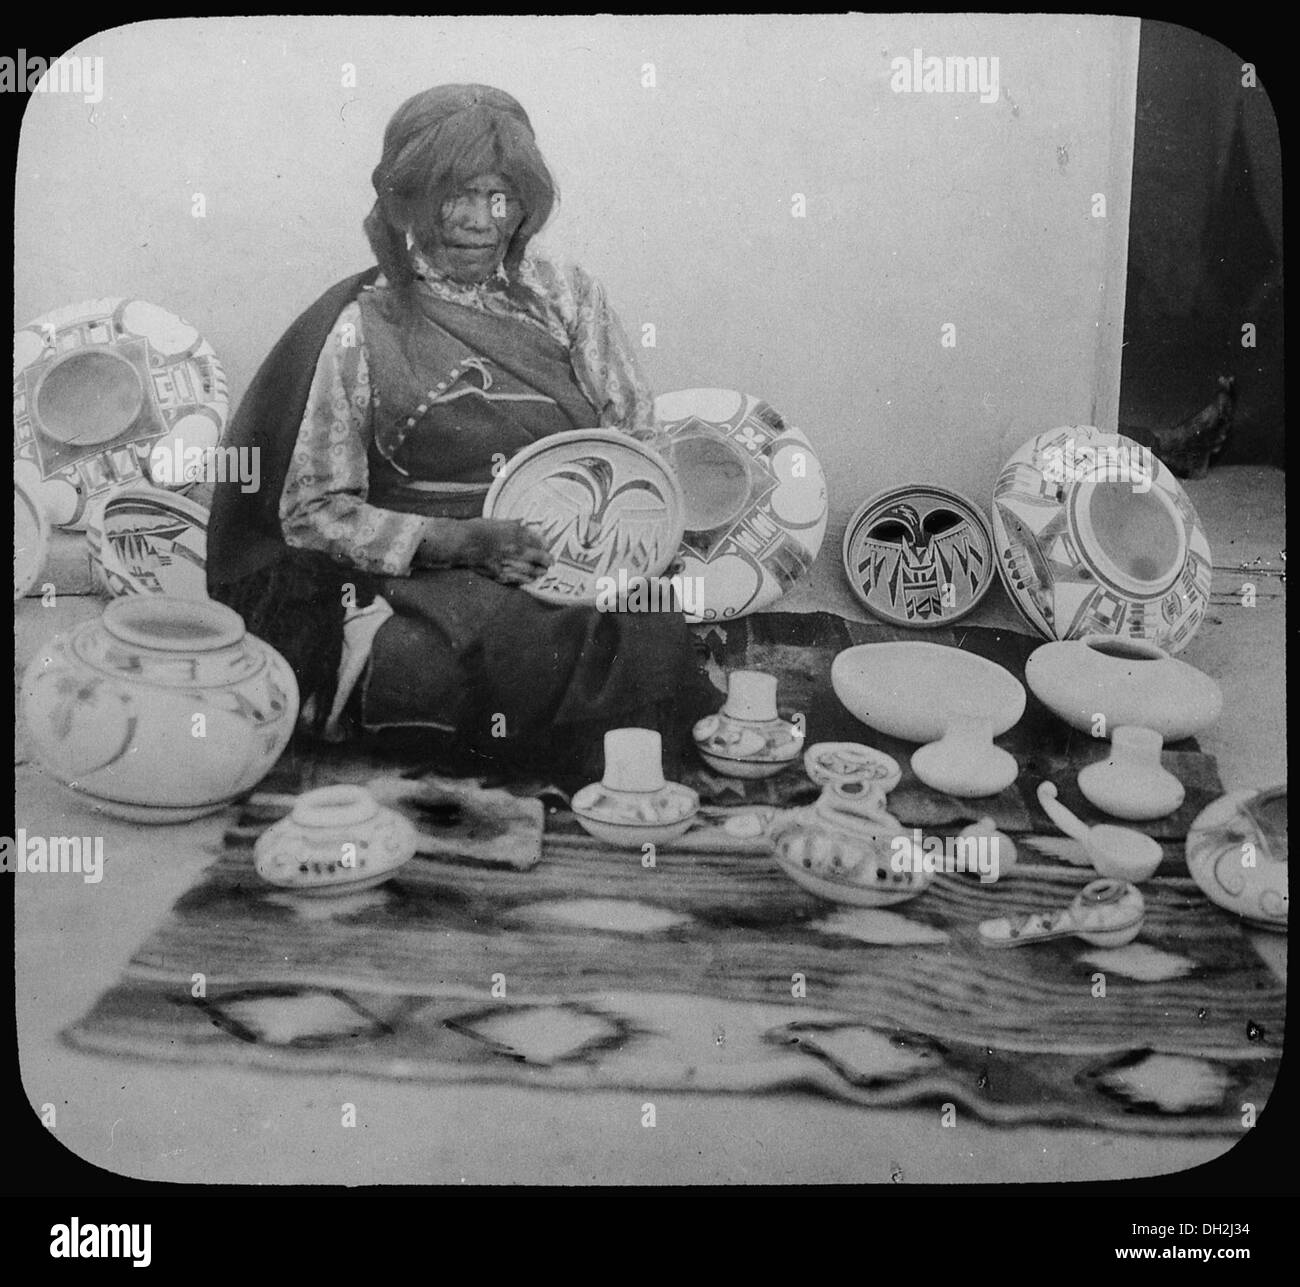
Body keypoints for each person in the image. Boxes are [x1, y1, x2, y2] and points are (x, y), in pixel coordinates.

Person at [206, 83, 713, 780]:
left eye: (499, 197)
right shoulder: (363, 326)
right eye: (455, 196)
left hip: (573, 544)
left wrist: (622, 548)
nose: (479, 220)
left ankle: (592, 772)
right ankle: (566, 765)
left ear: (524, 205)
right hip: (437, 568)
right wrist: (460, 543)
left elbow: (634, 439)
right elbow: (312, 510)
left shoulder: (569, 298)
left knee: (647, 619)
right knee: (446, 657)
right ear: (408, 199)